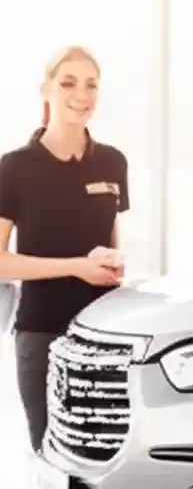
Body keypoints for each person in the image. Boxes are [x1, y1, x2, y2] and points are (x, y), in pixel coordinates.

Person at [0, 46, 128, 454]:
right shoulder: (15, 168)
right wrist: (76, 267)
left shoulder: (112, 162)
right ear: (46, 91)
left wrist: (113, 266)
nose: (81, 93)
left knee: (105, 459)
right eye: (68, 82)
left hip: (106, 337)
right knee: (54, 457)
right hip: (43, 336)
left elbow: (111, 238)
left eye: (91, 84)